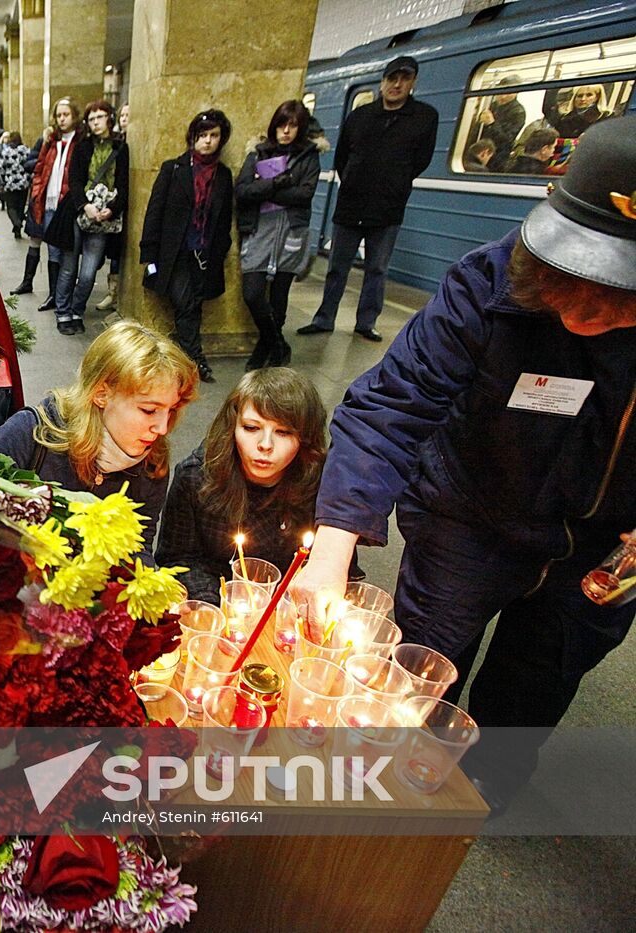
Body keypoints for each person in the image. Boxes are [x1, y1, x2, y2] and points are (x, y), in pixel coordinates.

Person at [291, 115, 636, 813]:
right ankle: (392, 803)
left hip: (598, 554)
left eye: (615, 299)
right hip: (467, 519)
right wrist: (333, 545)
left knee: (532, 692)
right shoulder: (486, 282)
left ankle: (479, 800)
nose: (586, 313)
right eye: (573, 284)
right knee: (419, 674)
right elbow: (393, 405)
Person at [0, 320, 199, 558]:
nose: (162, 428)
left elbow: (138, 547)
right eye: (149, 410)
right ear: (101, 394)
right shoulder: (28, 435)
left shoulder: (153, 462)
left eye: (171, 410)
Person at [156, 367, 341, 603]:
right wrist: (210, 602)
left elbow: (332, 565)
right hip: (217, 604)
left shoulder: (323, 483)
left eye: (283, 432)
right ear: (232, 426)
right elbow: (178, 559)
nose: (265, 445)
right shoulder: (196, 478)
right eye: (251, 428)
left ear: (305, 438)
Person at [298, 55, 438, 343]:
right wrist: (354, 181)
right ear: (382, 82)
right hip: (351, 203)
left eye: (404, 79)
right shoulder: (360, 116)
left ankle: (366, 322)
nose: (396, 84)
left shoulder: (424, 117)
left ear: (413, 82)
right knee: (338, 266)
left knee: (377, 268)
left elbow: (421, 160)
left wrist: (395, 182)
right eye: (391, 78)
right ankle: (324, 317)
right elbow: (342, 157)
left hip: (388, 207)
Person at [140, 109, 235, 384]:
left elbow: (224, 218)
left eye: (213, 135)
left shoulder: (223, 175)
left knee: (195, 304)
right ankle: (194, 359)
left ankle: (185, 356)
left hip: (205, 253)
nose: (207, 141)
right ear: (192, 137)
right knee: (185, 304)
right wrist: (149, 253)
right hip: (176, 253)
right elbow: (154, 211)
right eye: (202, 135)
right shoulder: (175, 169)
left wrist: (221, 251)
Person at [235, 99, 322, 369]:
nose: (285, 131)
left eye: (292, 126)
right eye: (282, 125)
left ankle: (264, 347)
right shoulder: (258, 153)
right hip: (260, 230)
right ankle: (277, 343)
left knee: (280, 295)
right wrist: (277, 183)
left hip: (291, 230)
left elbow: (305, 194)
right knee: (253, 292)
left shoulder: (309, 156)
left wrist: (268, 189)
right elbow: (244, 191)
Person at [44, 100, 130, 336]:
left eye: (100, 117)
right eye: (91, 119)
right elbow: (75, 180)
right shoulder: (82, 147)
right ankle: (63, 312)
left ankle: (77, 311)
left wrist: (112, 209)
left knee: (89, 272)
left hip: (104, 219)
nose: (95, 123)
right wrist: (86, 206)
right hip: (79, 213)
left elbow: (124, 183)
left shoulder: (121, 149)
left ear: (109, 119)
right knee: (69, 266)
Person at [15, 98, 83, 307]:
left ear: (74, 116)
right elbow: (38, 167)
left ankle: (64, 296)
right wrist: (37, 193)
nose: (62, 119)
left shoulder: (80, 141)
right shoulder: (50, 140)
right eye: (59, 115)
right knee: (52, 251)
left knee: (69, 254)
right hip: (48, 201)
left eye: (66, 115)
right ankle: (54, 295)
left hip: (68, 203)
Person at [96, 102, 133, 313]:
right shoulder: (115, 144)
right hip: (108, 205)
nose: (124, 119)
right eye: (122, 115)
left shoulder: (126, 145)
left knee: (117, 253)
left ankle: (115, 294)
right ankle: (113, 293)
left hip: (121, 206)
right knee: (112, 254)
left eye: (129, 115)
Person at [475, 74, 527, 159]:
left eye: (509, 93)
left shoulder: (518, 112)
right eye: (501, 91)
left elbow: (507, 140)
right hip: (479, 150)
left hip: (497, 156)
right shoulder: (492, 105)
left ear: (516, 92)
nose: (503, 96)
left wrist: (492, 124)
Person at [0, 131, 31, 242]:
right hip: (23, 184)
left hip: (10, 184)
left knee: (11, 207)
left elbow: (1, 168)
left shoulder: (6, 152)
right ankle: (18, 229)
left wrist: (0, 182)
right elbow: (30, 165)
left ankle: (16, 223)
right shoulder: (25, 150)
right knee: (20, 207)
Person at [544, 84, 610, 139]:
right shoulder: (564, 119)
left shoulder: (606, 117)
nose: (583, 99)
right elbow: (549, 112)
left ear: (597, 97)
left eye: (589, 95)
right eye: (580, 96)